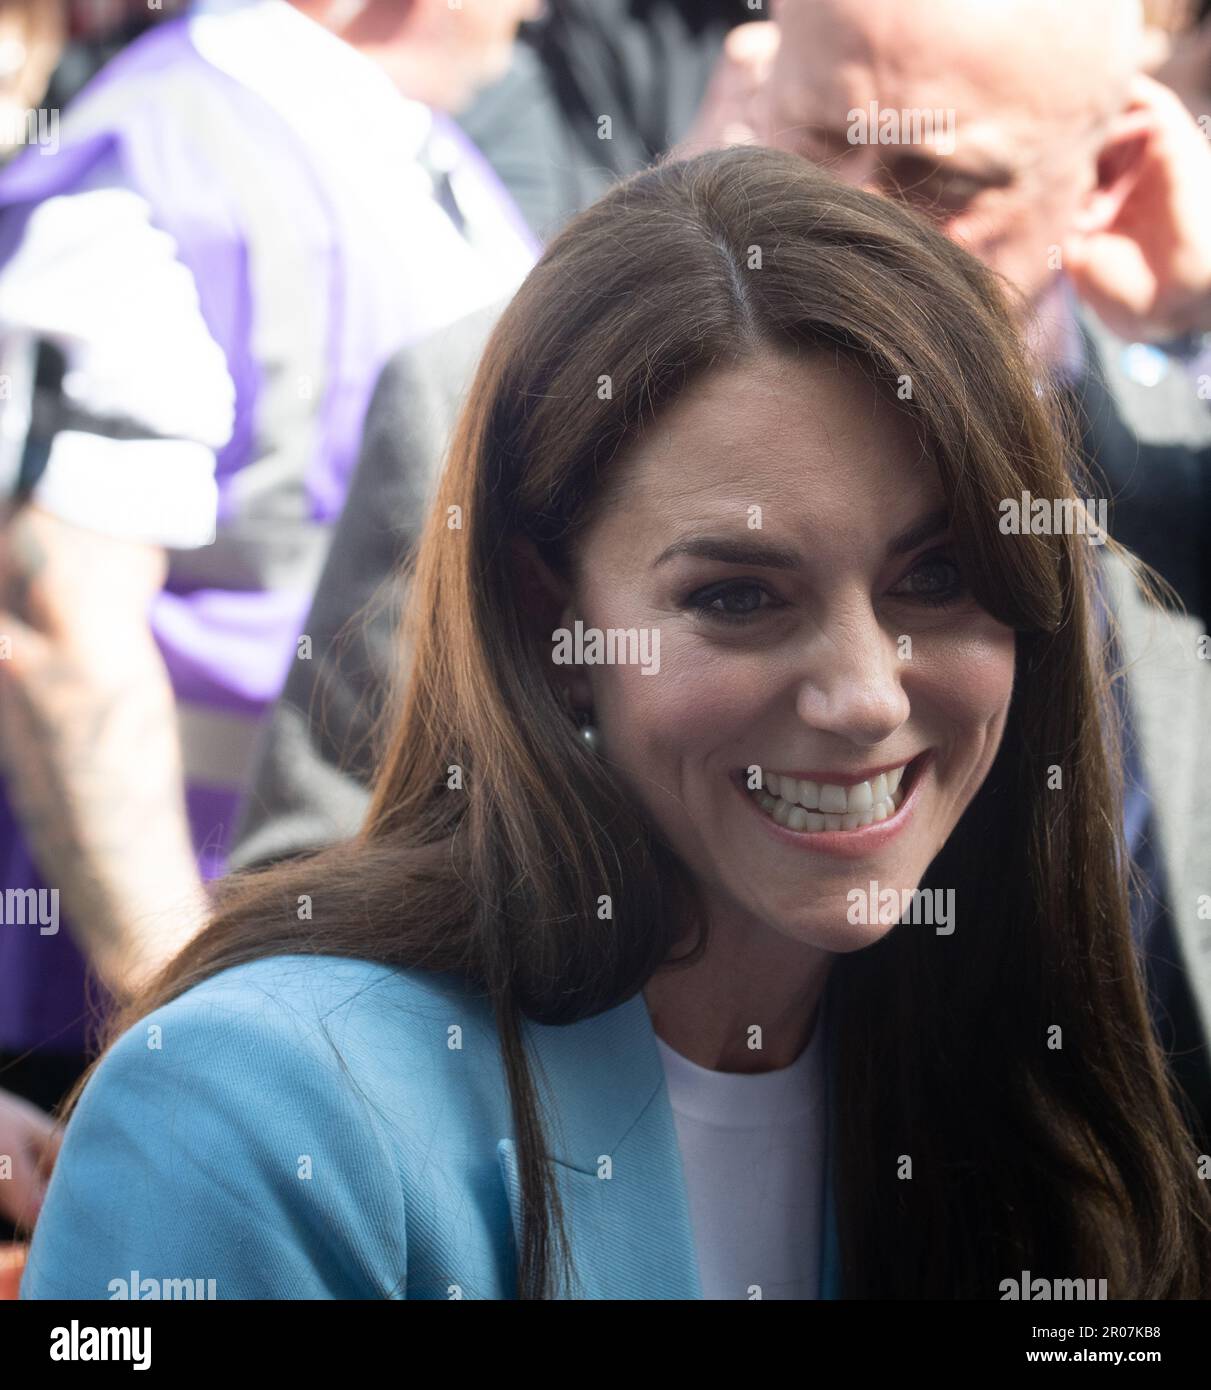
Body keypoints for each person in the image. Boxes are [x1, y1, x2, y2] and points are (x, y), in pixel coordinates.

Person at [21, 147, 1211, 1299]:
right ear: (555, 626)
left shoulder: (1026, 1098)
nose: (861, 695)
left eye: (936, 577)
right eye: (736, 597)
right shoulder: (257, 1108)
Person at [0, 0, 539, 1114]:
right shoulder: (153, 156)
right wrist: (174, 1007)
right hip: (134, 1011)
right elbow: (52, 617)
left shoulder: (420, 148)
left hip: (351, 983)